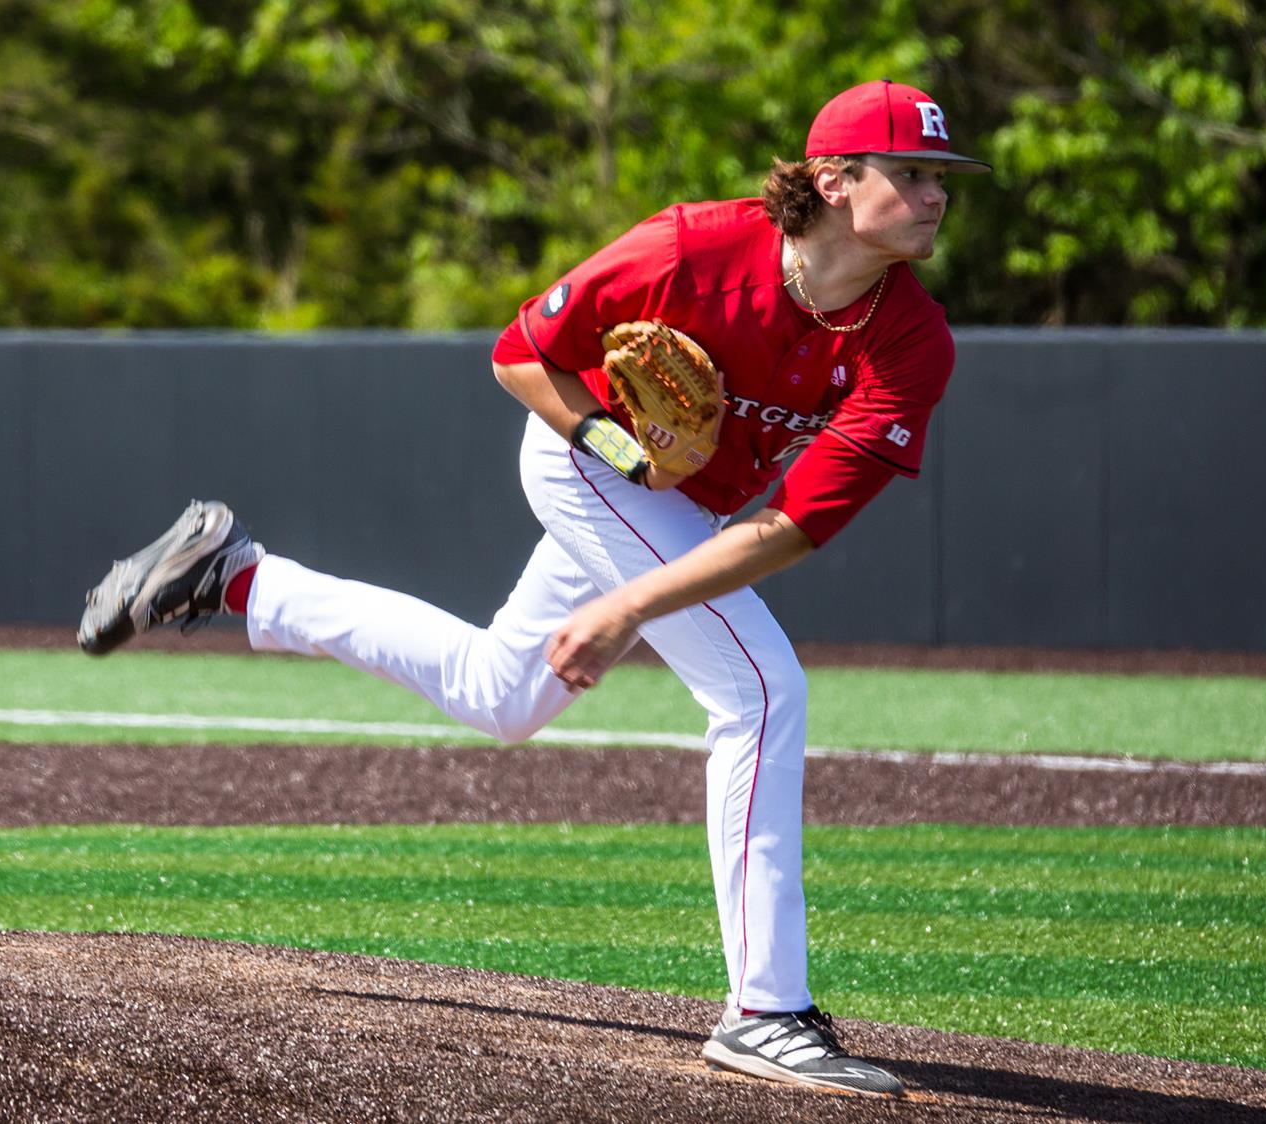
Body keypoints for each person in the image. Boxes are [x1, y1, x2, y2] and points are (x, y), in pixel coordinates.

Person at [78, 78, 988, 1098]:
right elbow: (519, 355)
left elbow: (792, 525)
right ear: (831, 180)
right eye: (908, 173)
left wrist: (630, 599)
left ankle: (240, 580)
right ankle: (764, 1009)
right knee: (761, 689)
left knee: (498, 695)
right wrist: (616, 452)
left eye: (939, 177)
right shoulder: (690, 246)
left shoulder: (911, 339)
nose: (933, 194)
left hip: (686, 514)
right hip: (581, 460)